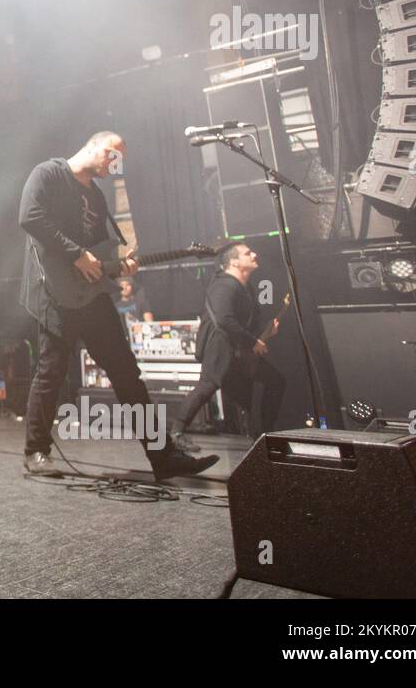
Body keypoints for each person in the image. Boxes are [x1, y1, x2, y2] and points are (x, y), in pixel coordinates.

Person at [18, 131, 218, 480]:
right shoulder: (49, 173)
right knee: (52, 372)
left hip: (91, 296)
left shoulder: (97, 198)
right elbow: (30, 217)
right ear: (94, 144)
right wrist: (76, 254)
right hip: (54, 291)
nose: (116, 164)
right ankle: (36, 451)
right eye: (113, 155)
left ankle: (163, 457)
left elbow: (100, 255)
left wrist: (119, 265)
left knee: (127, 373)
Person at [171, 242, 286, 449]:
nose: (254, 254)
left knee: (272, 382)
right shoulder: (224, 284)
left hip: (237, 349)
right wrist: (254, 341)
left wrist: (266, 332)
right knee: (207, 386)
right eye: (247, 253)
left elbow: (242, 321)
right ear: (233, 261)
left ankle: (263, 435)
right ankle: (176, 434)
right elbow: (224, 319)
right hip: (220, 345)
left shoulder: (245, 287)